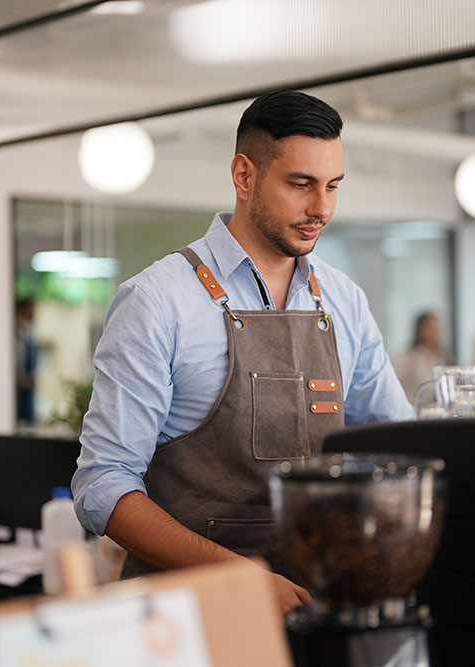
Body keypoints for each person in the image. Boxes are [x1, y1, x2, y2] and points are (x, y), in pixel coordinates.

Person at [72, 90, 412, 616]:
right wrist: (238, 575)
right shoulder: (158, 300)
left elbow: (397, 447)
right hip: (185, 618)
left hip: (320, 609)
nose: (320, 208)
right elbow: (102, 484)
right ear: (244, 175)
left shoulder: (344, 300)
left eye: (332, 187)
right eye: (300, 184)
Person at [393, 311, 453, 402]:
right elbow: (392, 383)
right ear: (419, 330)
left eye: (436, 329)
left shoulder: (443, 358)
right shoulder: (407, 358)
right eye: (430, 329)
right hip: (413, 410)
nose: (434, 333)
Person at [15, 297, 39, 425]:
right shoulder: (16, 332)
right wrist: (20, 377)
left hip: (27, 384)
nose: (33, 313)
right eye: (30, 309)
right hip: (19, 386)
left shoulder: (28, 330)